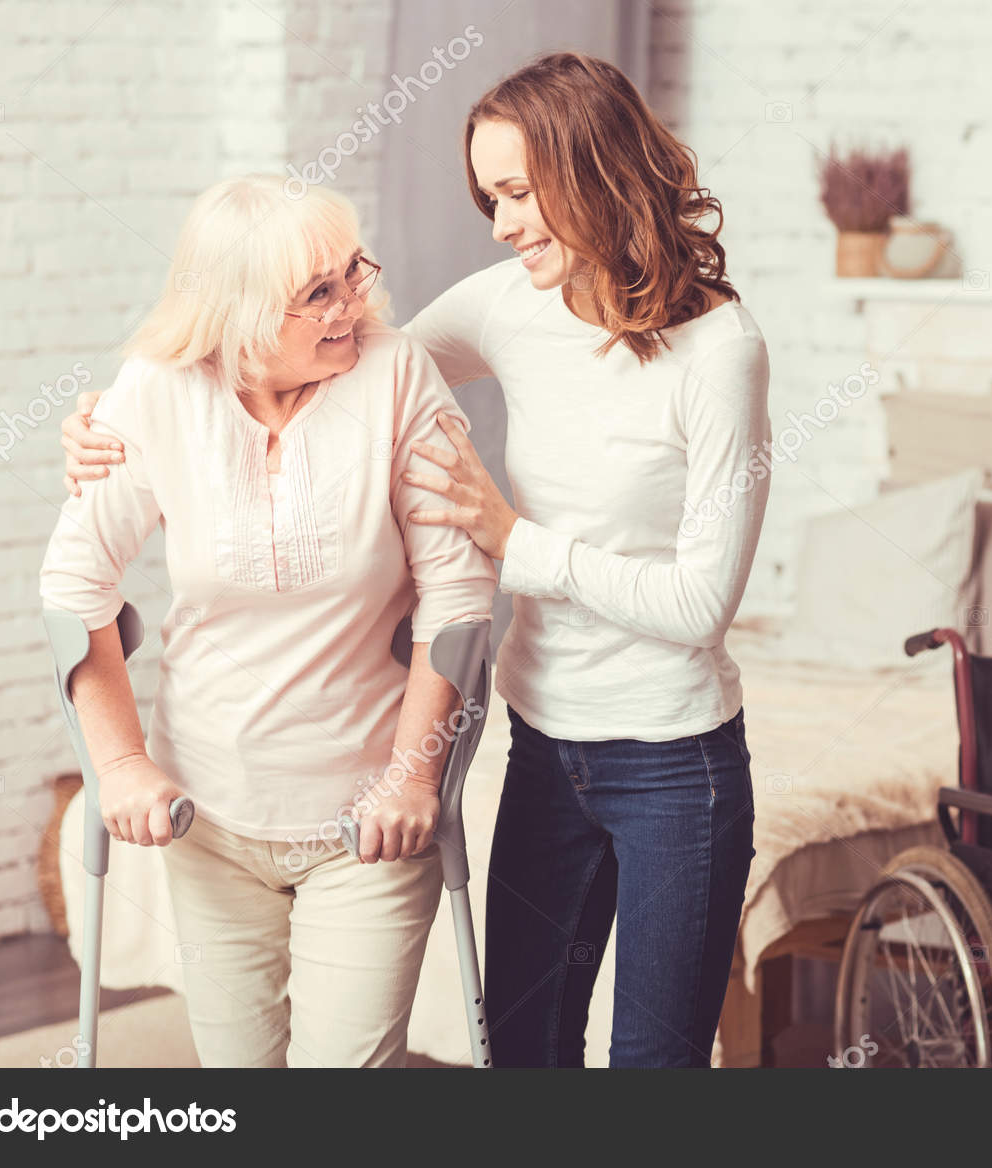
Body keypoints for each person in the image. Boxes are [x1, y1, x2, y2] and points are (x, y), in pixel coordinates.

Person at [59, 52, 770, 1068]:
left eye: (520, 192)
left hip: (673, 762)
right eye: (491, 197)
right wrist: (123, 419)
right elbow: (343, 361)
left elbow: (700, 602)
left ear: (596, 171)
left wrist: (512, 540)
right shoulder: (513, 301)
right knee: (523, 1049)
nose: (502, 224)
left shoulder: (721, 352)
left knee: (653, 1064)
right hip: (544, 746)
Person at [41, 175, 496, 1067]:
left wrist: (412, 779)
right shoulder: (158, 394)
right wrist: (123, 765)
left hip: (367, 820)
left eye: (350, 275)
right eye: (317, 294)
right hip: (205, 814)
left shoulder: (395, 374)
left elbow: (457, 596)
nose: (351, 307)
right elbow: (73, 586)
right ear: (239, 315)